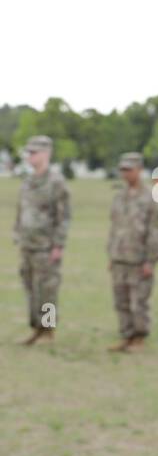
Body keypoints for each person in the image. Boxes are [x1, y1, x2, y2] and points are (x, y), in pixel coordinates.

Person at [13, 135, 70, 345]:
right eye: (28, 152)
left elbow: (63, 216)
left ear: (46, 154)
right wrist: (17, 233)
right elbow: (21, 210)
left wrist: (58, 245)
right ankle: (36, 328)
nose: (30, 156)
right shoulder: (28, 182)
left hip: (46, 247)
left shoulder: (56, 182)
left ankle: (48, 331)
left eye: (34, 152)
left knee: (47, 290)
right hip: (28, 245)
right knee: (31, 289)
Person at [107, 152, 158, 352]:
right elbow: (114, 228)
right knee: (120, 300)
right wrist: (111, 255)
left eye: (129, 169)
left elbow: (155, 231)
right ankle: (126, 336)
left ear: (139, 170)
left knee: (139, 301)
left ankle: (139, 338)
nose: (125, 173)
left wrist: (150, 260)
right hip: (119, 257)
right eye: (122, 169)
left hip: (139, 259)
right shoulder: (119, 197)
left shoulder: (149, 198)